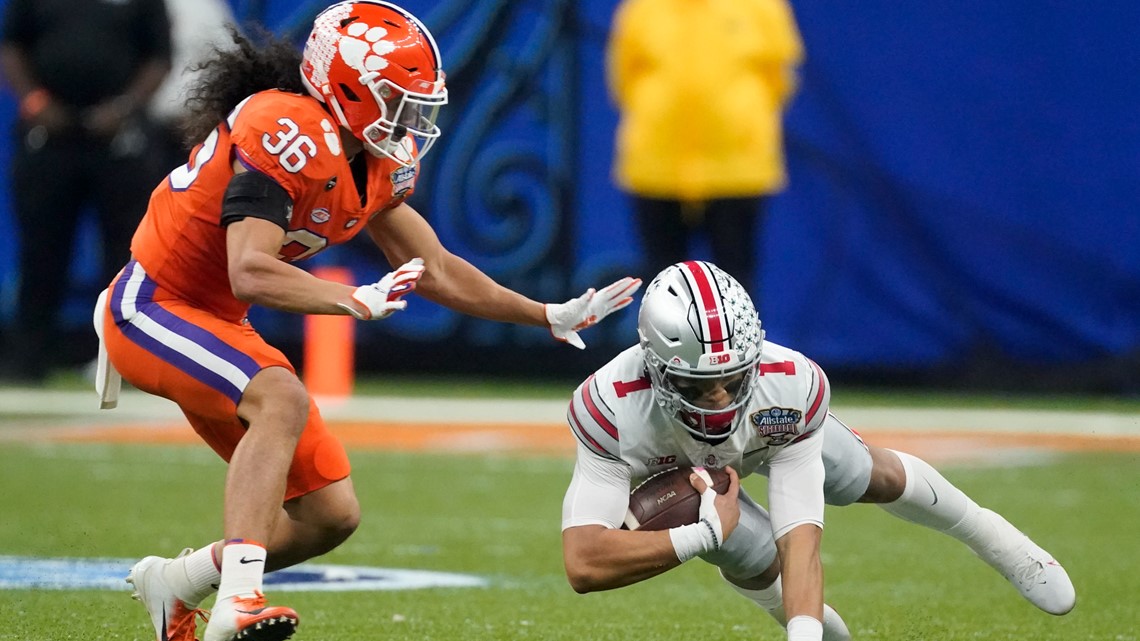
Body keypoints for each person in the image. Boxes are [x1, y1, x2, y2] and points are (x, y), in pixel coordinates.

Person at [96, 3, 642, 641]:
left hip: (216, 318)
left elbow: (433, 266)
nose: (412, 116)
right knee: (280, 397)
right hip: (153, 305)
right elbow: (249, 269)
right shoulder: (287, 130)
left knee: (330, 514)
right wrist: (353, 300)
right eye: (396, 97)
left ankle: (177, 581)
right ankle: (238, 600)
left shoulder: (375, 156)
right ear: (347, 88)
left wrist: (546, 313)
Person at [560, 260, 1075, 641]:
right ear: (656, 368)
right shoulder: (610, 406)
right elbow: (583, 564)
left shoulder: (789, 385)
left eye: (733, 377)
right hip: (696, 485)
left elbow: (801, 538)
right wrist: (701, 535)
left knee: (868, 476)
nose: (719, 399)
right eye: (698, 385)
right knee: (733, 537)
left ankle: (990, 535)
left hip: (771, 434)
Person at [0, 0, 172, 382]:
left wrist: (125, 107)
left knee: (127, 254)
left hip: (119, 138)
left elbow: (160, 56)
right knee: (41, 252)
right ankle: (27, 363)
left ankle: (125, 362)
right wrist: (34, 100)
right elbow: (12, 45)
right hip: (47, 134)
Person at [606, 0, 803, 303]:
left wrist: (742, 126)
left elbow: (777, 78)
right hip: (657, 167)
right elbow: (623, 76)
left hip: (737, 170)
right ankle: (666, 352)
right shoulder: (643, 8)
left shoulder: (760, 7)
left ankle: (738, 350)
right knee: (664, 291)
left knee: (737, 288)